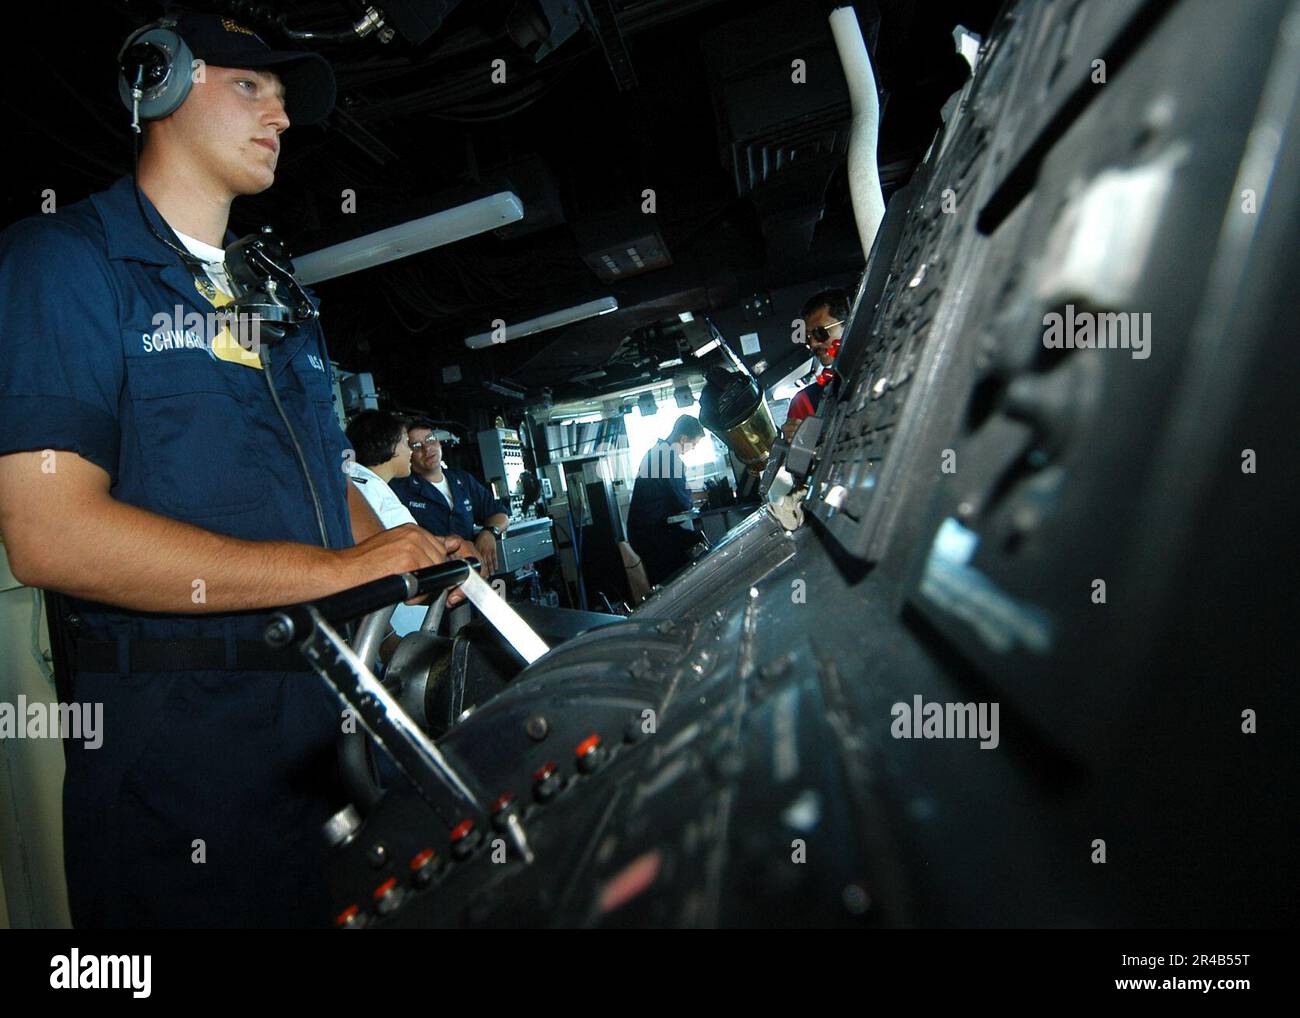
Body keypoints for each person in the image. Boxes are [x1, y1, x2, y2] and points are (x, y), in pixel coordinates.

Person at [0, 12, 465, 928]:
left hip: (323, 737)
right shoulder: (66, 263)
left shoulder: (270, 299)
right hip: (182, 768)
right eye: (251, 86)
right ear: (160, 82)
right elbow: (48, 533)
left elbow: (317, 482)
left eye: (285, 100)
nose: (280, 117)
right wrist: (334, 573)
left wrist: (402, 560)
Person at [344, 411, 429, 638]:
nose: (411, 450)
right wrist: (387, 639)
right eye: (405, 442)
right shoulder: (364, 489)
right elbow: (367, 573)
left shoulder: (367, 485)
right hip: (386, 638)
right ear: (388, 445)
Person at [391, 420, 511, 576]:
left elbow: (500, 514)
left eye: (429, 439)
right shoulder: (401, 489)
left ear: (438, 442)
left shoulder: (462, 480)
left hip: (473, 572)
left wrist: (489, 533)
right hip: (434, 577)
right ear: (409, 454)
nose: (427, 448)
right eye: (417, 446)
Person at [626, 415, 708, 587]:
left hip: (643, 532)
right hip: (651, 535)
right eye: (693, 444)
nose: (692, 449)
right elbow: (682, 503)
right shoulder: (668, 458)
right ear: (683, 438)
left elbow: (677, 494)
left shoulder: (659, 452)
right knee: (697, 545)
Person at [781, 287, 850, 442]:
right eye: (808, 337)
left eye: (820, 333)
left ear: (849, 324)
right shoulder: (807, 401)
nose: (813, 343)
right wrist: (799, 442)